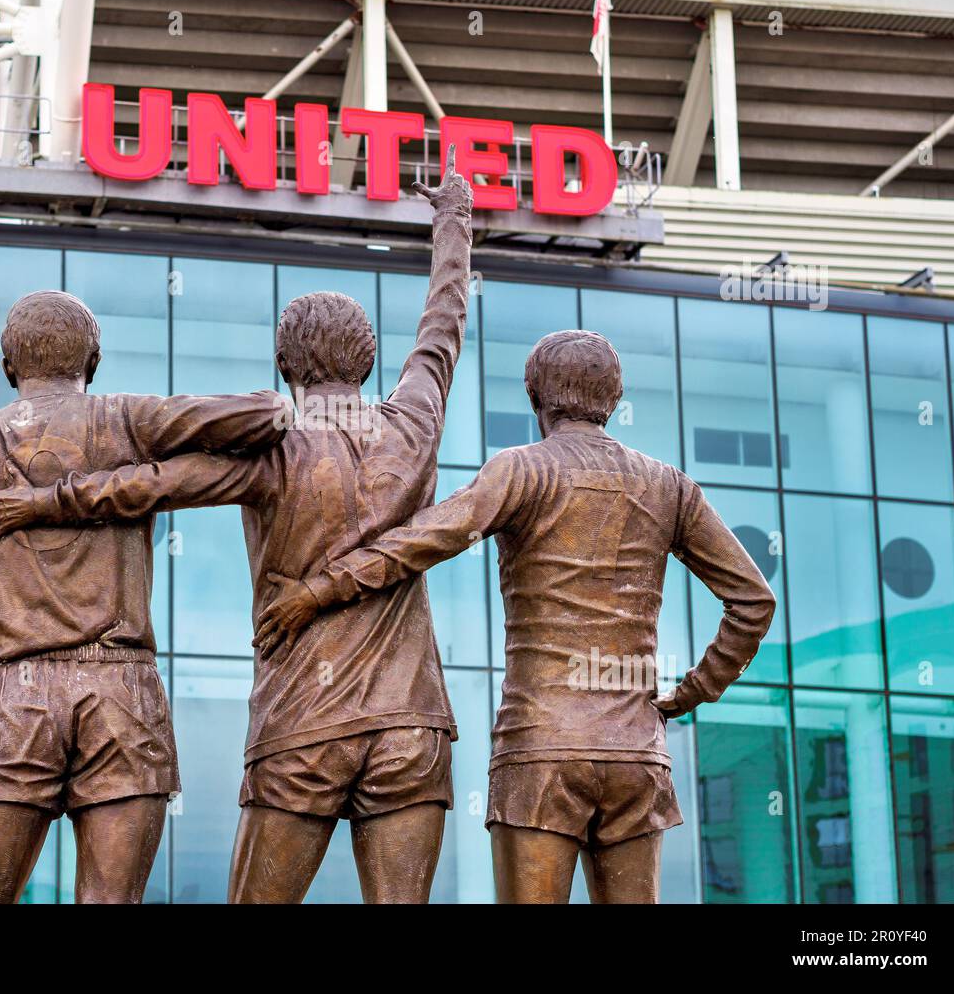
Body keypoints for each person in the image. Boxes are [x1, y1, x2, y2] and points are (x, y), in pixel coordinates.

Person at [0, 145, 475, 903]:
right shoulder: (414, 425)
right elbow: (443, 322)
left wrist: (43, 501)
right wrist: (454, 217)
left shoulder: (275, 452)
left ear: (287, 367)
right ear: (366, 362)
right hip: (413, 727)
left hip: (304, 726)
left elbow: (146, 487)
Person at [255, 328, 776, 903]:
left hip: (540, 749)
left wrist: (321, 589)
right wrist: (696, 689)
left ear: (537, 400)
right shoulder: (669, 487)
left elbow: (424, 541)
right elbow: (754, 600)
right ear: (613, 398)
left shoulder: (521, 471)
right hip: (634, 753)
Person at [0, 289, 291, 903]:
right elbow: (271, 414)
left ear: (10, 366)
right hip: (121, 691)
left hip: (13, 696)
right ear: (93, 359)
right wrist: (128, 482)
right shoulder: (127, 419)